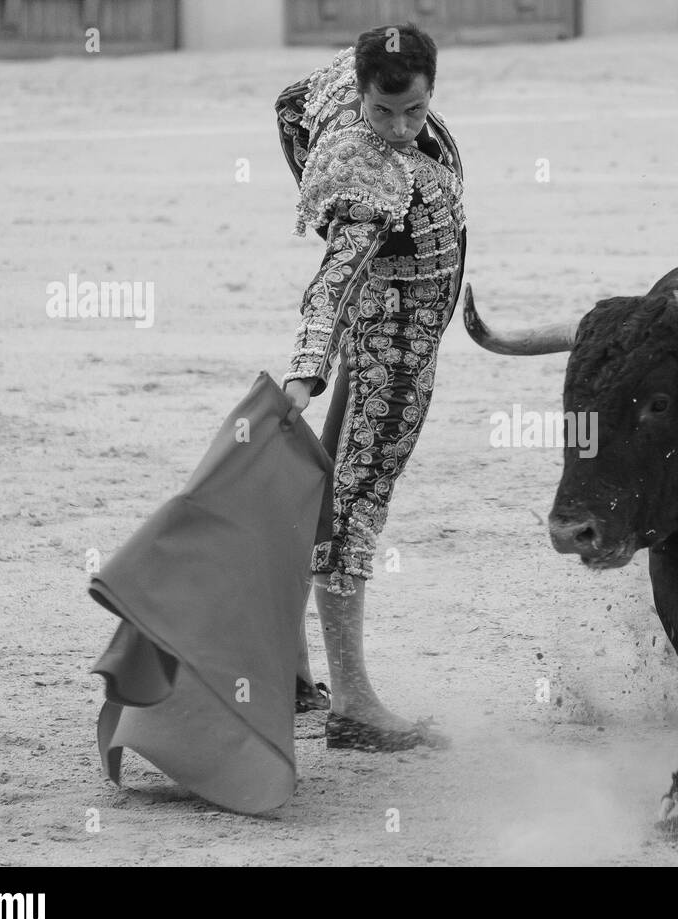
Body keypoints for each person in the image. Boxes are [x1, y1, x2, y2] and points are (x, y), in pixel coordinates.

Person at [275, 22, 465, 750]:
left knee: (326, 491)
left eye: (414, 111)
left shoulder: (338, 84)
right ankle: (351, 704)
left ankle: (290, 666)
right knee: (352, 509)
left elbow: (292, 103)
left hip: (393, 322)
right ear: (361, 93)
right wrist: (305, 375)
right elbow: (330, 285)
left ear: (429, 88)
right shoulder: (367, 176)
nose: (397, 128)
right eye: (381, 112)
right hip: (391, 347)